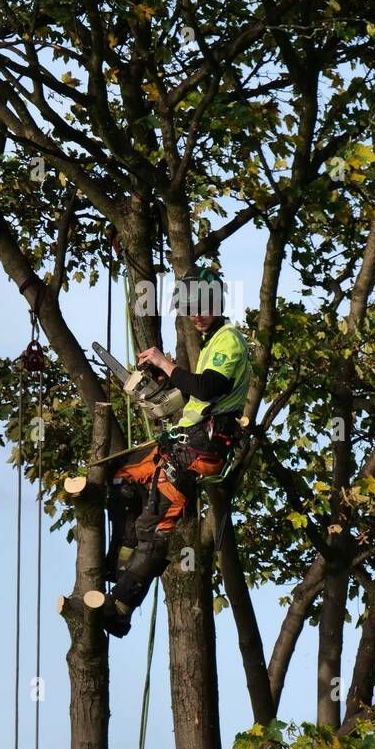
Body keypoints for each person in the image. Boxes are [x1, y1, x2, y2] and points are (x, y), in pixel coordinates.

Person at [85, 265, 251, 638]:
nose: (195, 315)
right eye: (189, 307)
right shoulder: (211, 344)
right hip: (182, 443)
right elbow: (195, 392)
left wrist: (164, 362)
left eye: (201, 306)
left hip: (200, 449)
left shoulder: (228, 340)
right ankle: (118, 566)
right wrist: (166, 379)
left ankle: (121, 607)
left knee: (156, 525)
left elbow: (207, 388)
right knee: (123, 477)